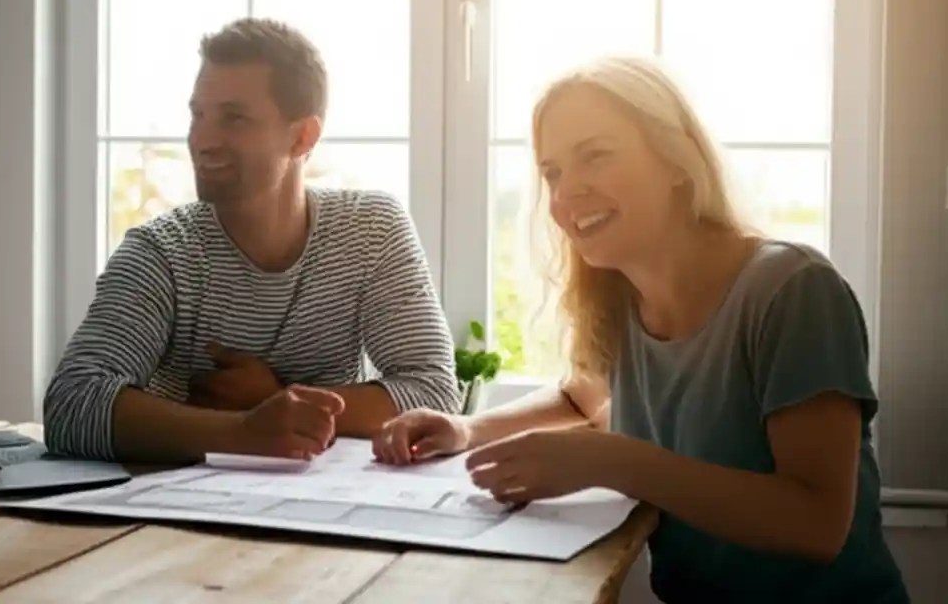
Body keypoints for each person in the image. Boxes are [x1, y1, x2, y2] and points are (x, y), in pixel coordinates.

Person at [373, 56, 908, 602]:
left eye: (596, 156)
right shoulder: (621, 302)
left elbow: (816, 524)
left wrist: (609, 460)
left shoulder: (793, 290)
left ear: (677, 158)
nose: (565, 193)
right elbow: (581, 400)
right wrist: (467, 429)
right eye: (553, 172)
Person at [45, 17, 461, 464]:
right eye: (198, 115)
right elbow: (71, 405)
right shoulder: (160, 252)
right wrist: (245, 429)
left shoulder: (371, 230)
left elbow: (434, 391)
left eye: (234, 118)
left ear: (303, 136)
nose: (202, 140)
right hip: (180, 514)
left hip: (327, 503)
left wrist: (278, 399)